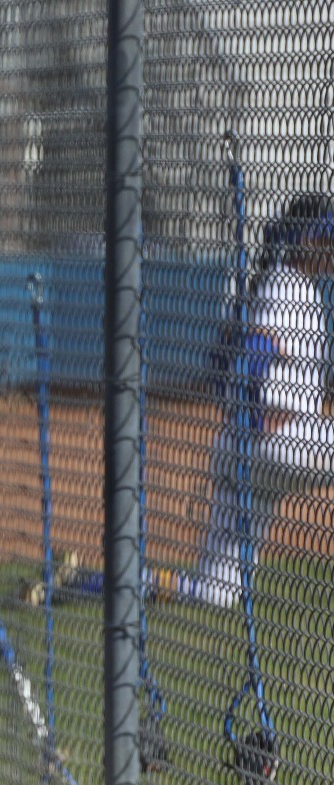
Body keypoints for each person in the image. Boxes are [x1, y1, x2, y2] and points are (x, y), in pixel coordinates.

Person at [188, 192, 334, 608]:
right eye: (326, 238)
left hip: (241, 448)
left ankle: (94, 581)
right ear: (305, 239)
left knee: (216, 593)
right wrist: (256, 421)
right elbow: (252, 351)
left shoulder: (275, 284)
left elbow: (219, 362)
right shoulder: (289, 287)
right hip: (279, 441)